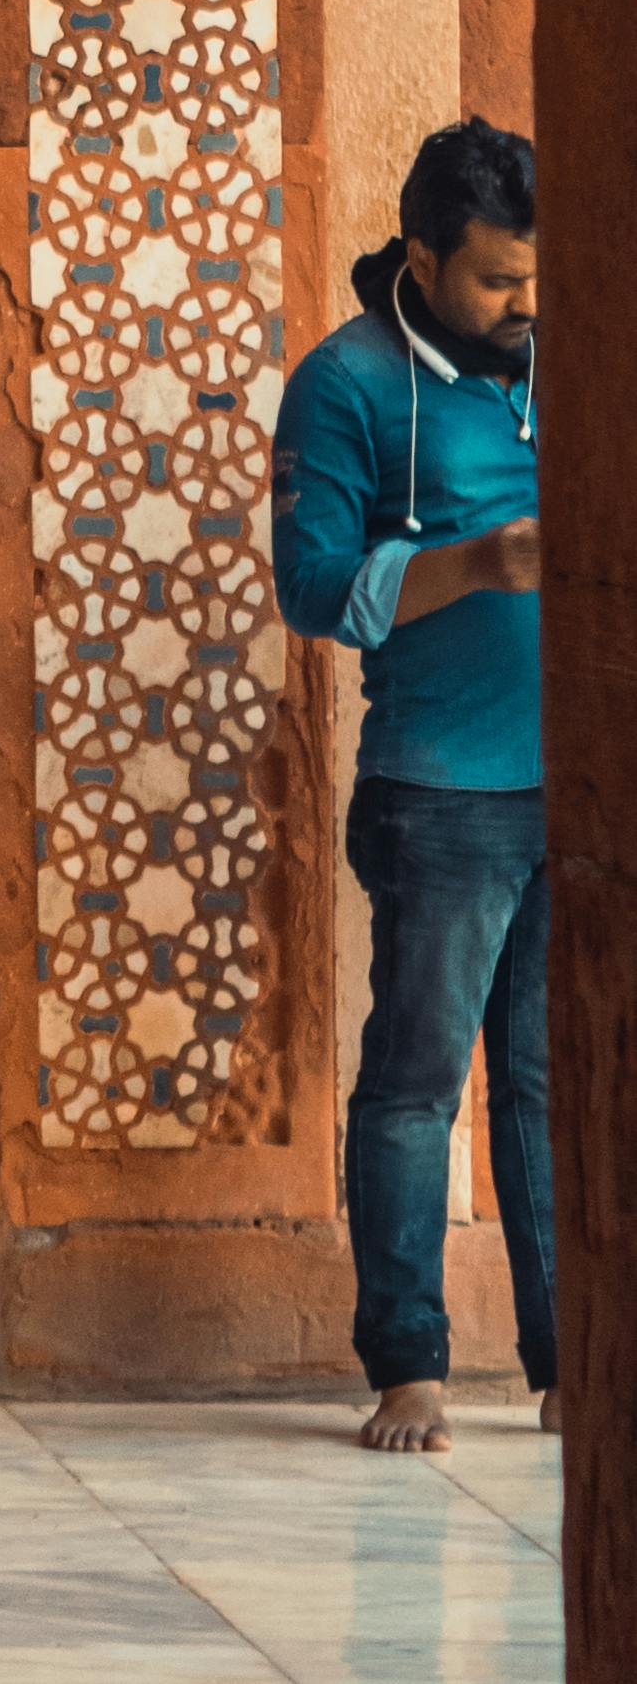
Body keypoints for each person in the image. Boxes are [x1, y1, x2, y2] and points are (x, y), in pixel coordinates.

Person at [273, 115, 551, 1453]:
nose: (522, 302)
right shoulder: (347, 382)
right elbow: (316, 590)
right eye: (496, 279)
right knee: (414, 1080)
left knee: (556, 1080)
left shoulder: (562, 349)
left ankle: (571, 1367)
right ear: (425, 253)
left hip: (583, 789)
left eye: (535, 277)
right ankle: (407, 1367)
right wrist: (483, 562)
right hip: (439, 790)